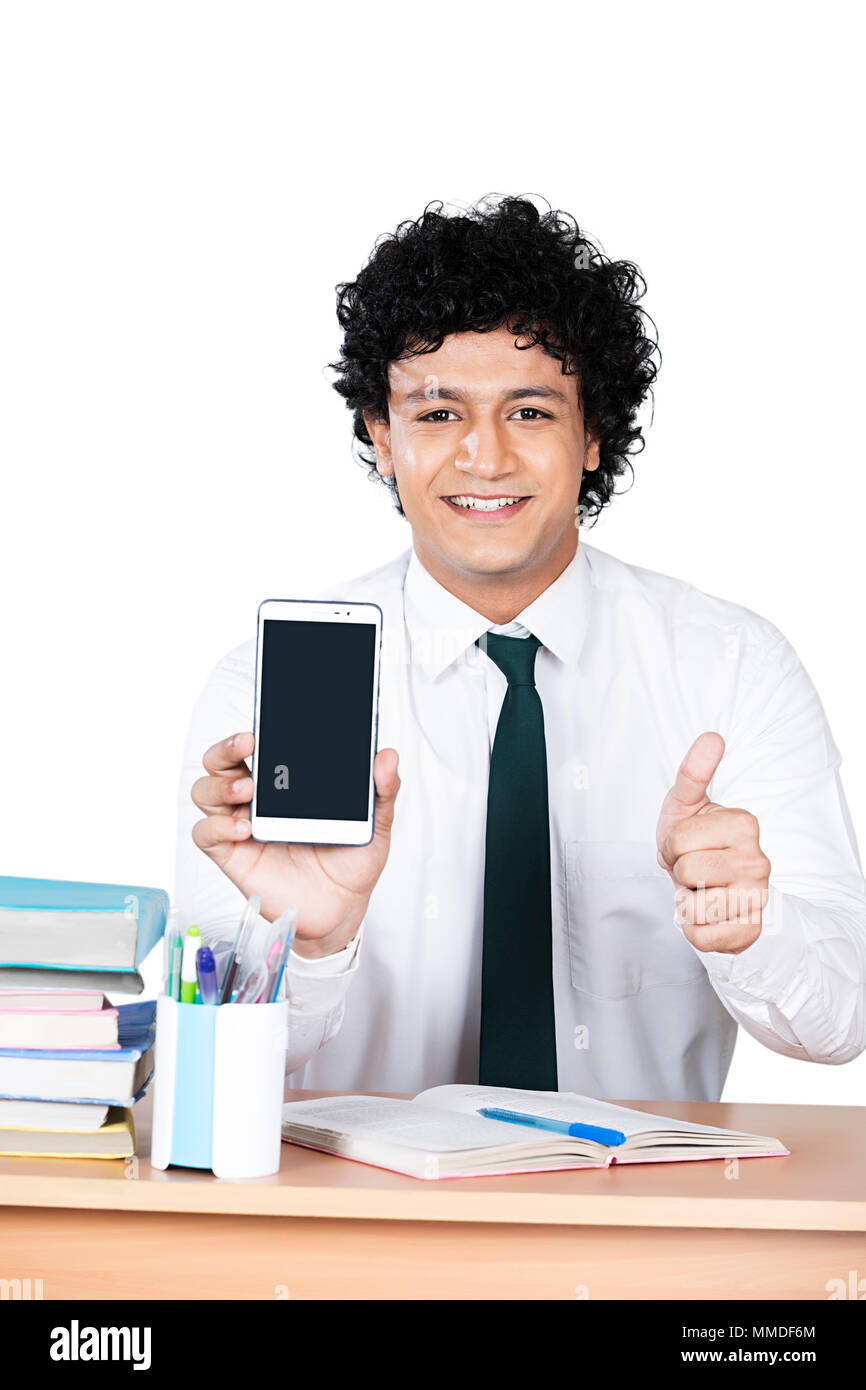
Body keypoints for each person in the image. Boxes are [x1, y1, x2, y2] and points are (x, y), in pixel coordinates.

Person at [174, 195, 866, 1101]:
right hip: (358, 1220)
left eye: (531, 412)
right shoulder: (268, 691)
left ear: (594, 434)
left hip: (638, 1218)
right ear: (382, 438)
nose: (485, 458)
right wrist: (312, 940)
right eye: (436, 415)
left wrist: (748, 925)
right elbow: (210, 1082)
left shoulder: (731, 668)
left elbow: (841, 1024)